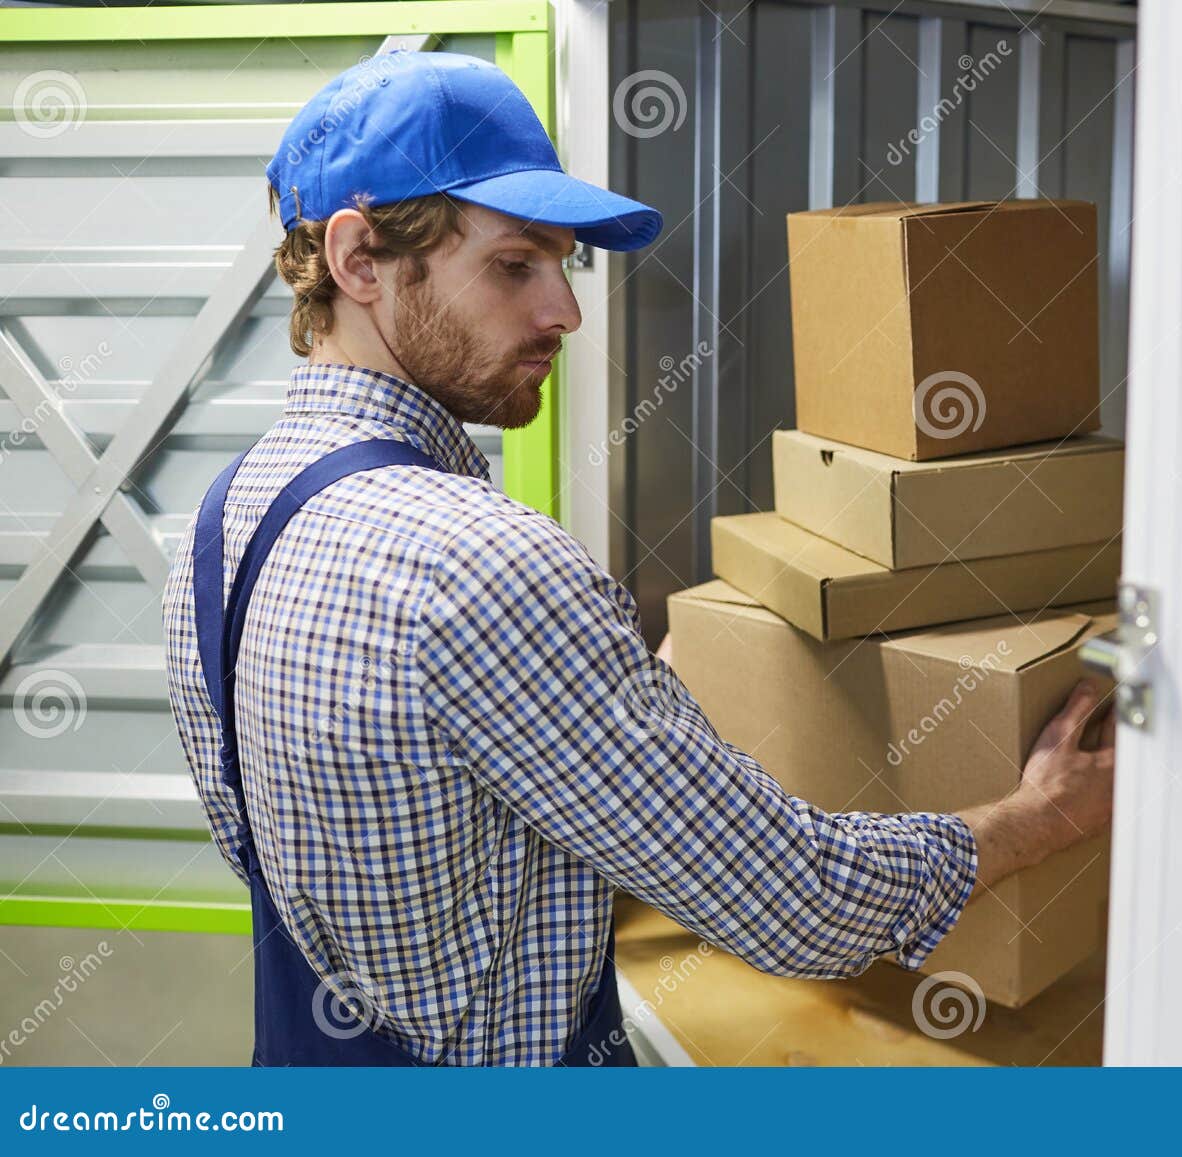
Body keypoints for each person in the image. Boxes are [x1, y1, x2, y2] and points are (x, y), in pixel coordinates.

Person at [161, 51, 1116, 1067]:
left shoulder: (222, 523)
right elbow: (795, 901)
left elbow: (295, 845)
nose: (564, 311)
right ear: (358, 262)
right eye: (514, 264)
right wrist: (1037, 816)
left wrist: (609, 715)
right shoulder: (487, 563)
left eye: (562, 264)